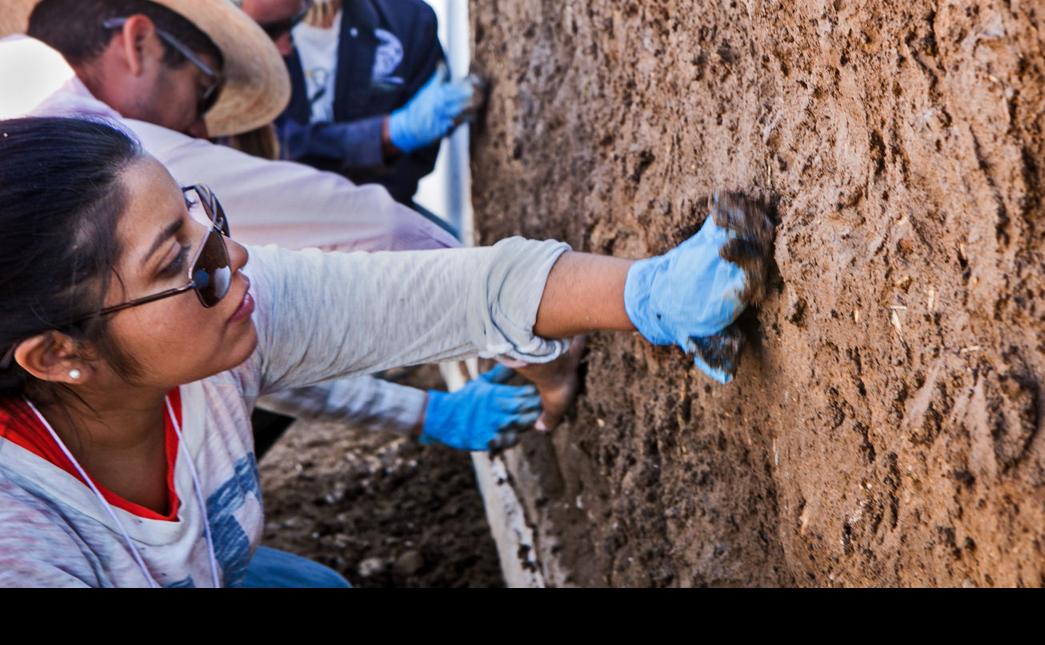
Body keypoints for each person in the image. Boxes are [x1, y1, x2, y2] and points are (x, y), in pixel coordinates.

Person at [0, 116, 757, 588]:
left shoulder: (222, 318)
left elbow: (450, 293)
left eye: (202, 218)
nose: (234, 257)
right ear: (58, 355)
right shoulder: (23, 545)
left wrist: (646, 293)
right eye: (178, 262)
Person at [3, 0, 584, 454]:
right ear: (139, 43)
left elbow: (246, 345)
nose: (200, 129)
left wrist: (424, 413)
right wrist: (529, 329)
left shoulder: (24, 142)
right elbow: (387, 233)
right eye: (204, 91)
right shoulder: (116, 163)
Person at [238, 0, 481, 209]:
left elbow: (414, 164)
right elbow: (261, 149)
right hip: (276, 217)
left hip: (380, 213)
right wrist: (388, 134)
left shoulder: (410, 20)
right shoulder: (246, 23)